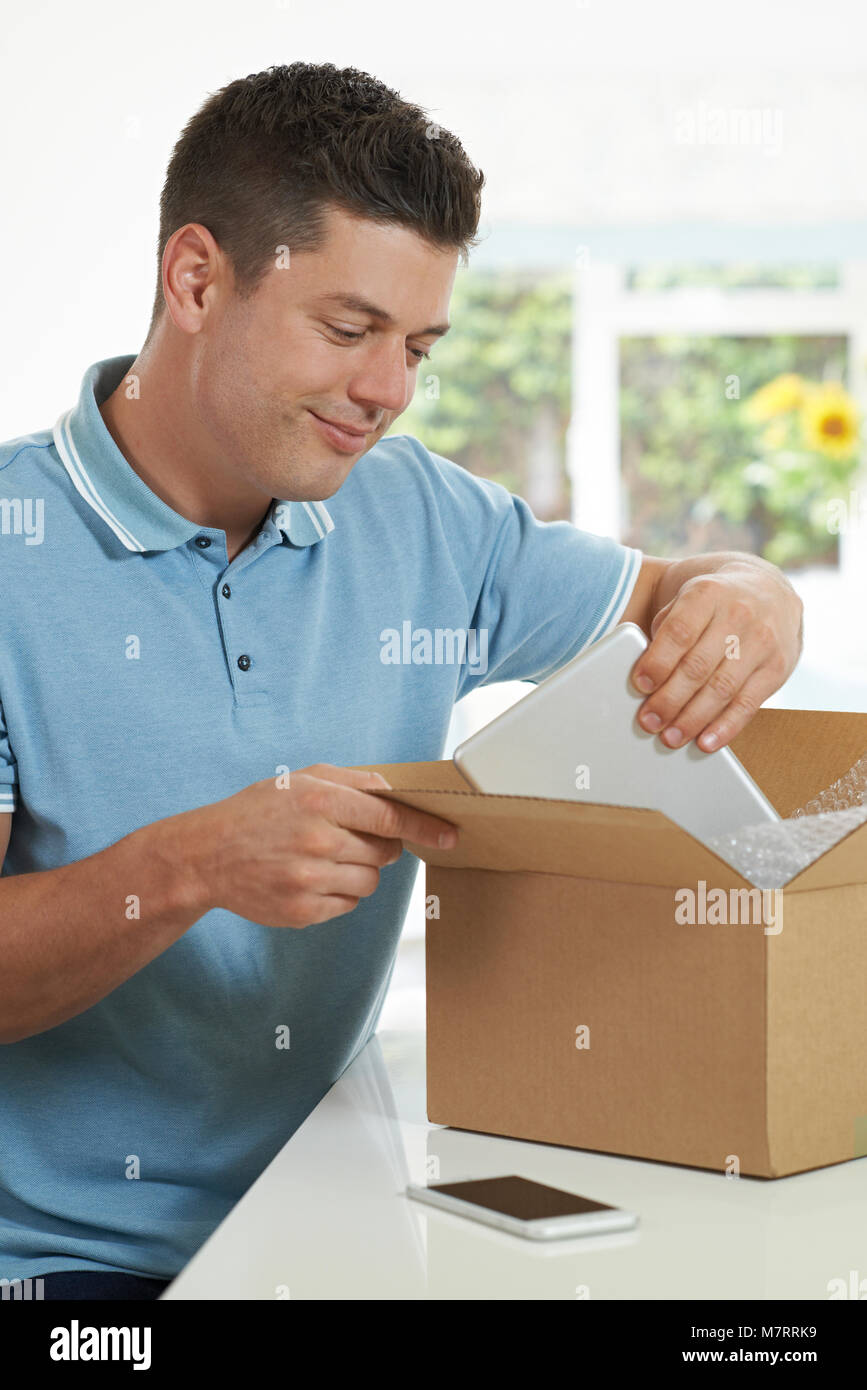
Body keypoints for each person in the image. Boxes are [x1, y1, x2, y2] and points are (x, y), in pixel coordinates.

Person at [0, 62, 802, 1302]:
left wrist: (755, 595)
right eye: (349, 329)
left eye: (418, 345)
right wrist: (192, 866)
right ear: (198, 278)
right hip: (69, 1271)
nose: (389, 393)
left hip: (348, 1213)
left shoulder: (421, 515)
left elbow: (677, 588)